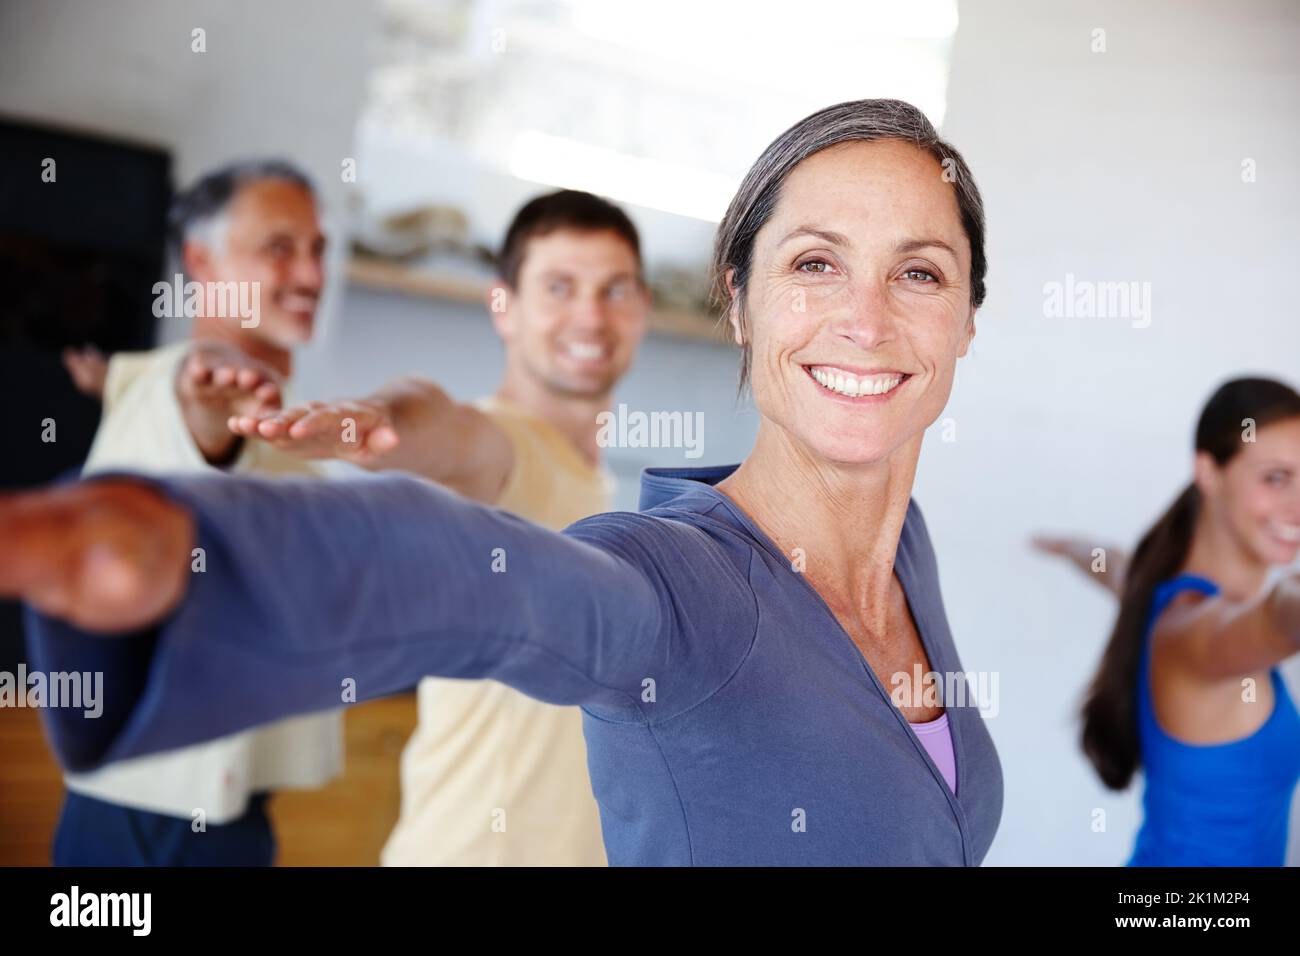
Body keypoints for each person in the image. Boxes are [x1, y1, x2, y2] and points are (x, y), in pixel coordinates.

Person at [5, 98, 1003, 865]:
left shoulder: (904, 547)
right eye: (816, 263)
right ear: (739, 303)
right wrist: (191, 554)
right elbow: (494, 583)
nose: (867, 319)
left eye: (918, 272)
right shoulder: (676, 580)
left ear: (966, 316)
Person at [229, 189, 650, 866]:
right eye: (560, 287)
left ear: (643, 307)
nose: (590, 316)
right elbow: (441, 423)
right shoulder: (504, 450)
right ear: (503, 307)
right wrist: (378, 416)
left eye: (614, 290)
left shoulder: (599, 486)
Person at [48, 159, 342, 866]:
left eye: (317, 248)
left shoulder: (161, 383)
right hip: (153, 826)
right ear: (202, 262)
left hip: (222, 813)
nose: (309, 275)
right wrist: (213, 426)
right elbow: (205, 432)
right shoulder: (191, 389)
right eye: (279, 247)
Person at [1072, 378, 1300, 866]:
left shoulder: (1153, 591)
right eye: (1276, 478)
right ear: (1209, 472)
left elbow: (1113, 565)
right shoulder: (1200, 634)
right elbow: (1285, 614)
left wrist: (1060, 545)